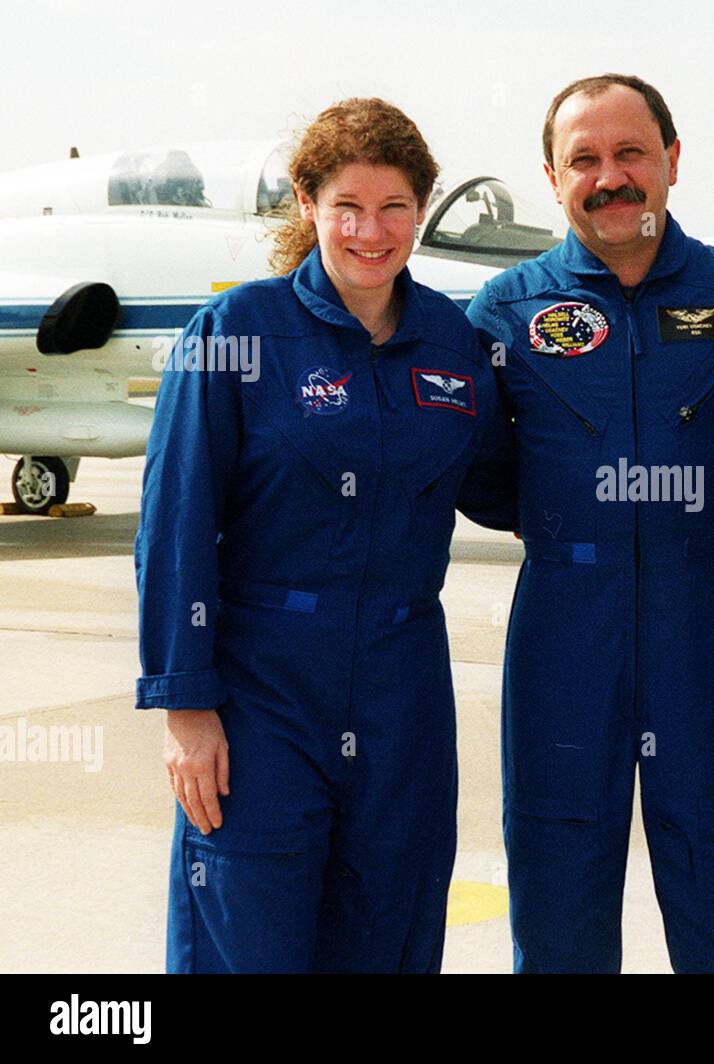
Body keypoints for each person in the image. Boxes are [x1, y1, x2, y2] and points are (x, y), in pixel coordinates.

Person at [136, 98, 505, 972]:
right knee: (249, 927)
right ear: (307, 203)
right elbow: (175, 522)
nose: (370, 232)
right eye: (347, 206)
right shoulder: (236, 335)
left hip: (403, 686)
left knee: (392, 922)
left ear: (421, 209)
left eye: (393, 208)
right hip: (264, 693)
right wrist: (185, 706)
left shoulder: (455, 346)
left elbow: (517, 482)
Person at [463, 74, 714, 973]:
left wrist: (700, 527)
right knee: (558, 877)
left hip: (706, 620)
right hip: (565, 623)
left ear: (673, 160)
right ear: (553, 175)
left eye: (631, 152)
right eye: (585, 160)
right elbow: (485, 476)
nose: (611, 177)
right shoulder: (506, 312)